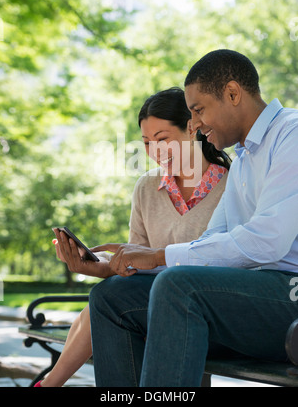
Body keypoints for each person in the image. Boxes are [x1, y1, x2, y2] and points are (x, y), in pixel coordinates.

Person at [87, 49, 298, 387]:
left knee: (179, 287)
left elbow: (267, 241)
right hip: (250, 297)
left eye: (199, 110)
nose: (196, 124)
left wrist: (159, 255)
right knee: (113, 296)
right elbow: (208, 245)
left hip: (290, 298)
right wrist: (136, 262)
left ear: (232, 93)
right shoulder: (244, 157)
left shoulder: (291, 134)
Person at [37, 87, 229, 387]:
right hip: (147, 305)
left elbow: (235, 260)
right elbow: (136, 264)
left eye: (162, 139)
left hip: (208, 308)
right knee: (106, 298)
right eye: (147, 143)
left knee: (104, 303)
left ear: (193, 130)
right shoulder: (146, 187)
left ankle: (48, 384)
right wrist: (98, 266)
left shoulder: (233, 185)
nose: (154, 151)